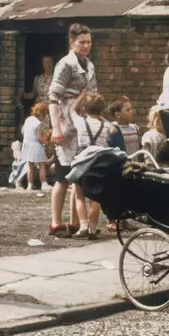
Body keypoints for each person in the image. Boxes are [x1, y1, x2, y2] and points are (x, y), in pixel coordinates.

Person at [48, 23, 97, 237]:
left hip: (83, 122)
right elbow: (52, 98)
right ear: (72, 43)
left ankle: (74, 221)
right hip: (66, 120)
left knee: (79, 174)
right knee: (62, 175)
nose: (86, 46)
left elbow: (94, 96)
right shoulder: (65, 64)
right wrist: (56, 129)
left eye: (88, 42)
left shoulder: (90, 65)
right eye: (81, 42)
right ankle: (55, 222)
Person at [71, 92, 113, 239]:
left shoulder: (80, 122)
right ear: (101, 110)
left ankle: (83, 225)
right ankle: (93, 229)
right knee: (95, 197)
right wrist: (101, 116)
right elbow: (113, 129)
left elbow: (71, 110)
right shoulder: (106, 124)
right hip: (99, 162)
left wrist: (82, 95)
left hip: (82, 160)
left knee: (79, 195)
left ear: (84, 108)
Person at [20, 102, 51, 192]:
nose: (45, 117)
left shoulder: (28, 119)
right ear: (42, 113)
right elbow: (38, 138)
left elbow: (23, 131)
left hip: (27, 145)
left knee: (30, 166)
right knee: (42, 166)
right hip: (36, 146)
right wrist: (45, 141)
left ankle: (29, 185)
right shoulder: (38, 123)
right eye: (45, 114)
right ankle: (44, 184)